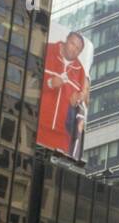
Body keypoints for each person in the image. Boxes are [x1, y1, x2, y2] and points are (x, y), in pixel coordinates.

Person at [37, 31, 90, 159]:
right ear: (66, 40)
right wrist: (50, 83)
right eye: (72, 44)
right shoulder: (47, 50)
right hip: (38, 125)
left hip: (61, 136)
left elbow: (80, 104)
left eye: (78, 49)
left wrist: (76, 102)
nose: (74, 49)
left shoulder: (81, 71)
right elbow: (29, 78)